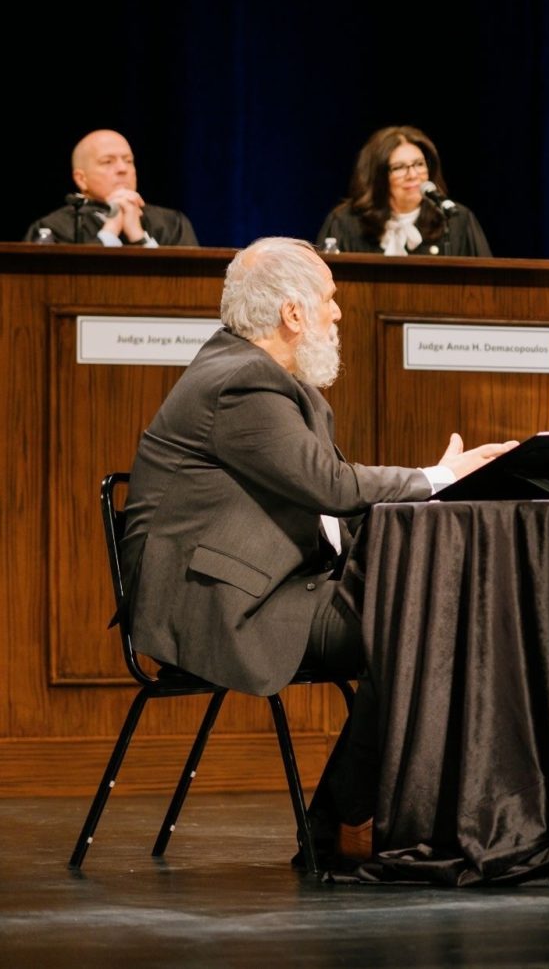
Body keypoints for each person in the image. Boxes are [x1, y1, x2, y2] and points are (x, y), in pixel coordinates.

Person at [119, 236, 516, 851]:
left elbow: (323, 505)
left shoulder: (268, 379)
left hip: (272, 583)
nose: (337, 312)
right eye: (329, 299)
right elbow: (329, 486)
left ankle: (366, 814)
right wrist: (438, 480)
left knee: (436, 609)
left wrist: (431, 491)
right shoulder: (241, 381)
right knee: (417, 626)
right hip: (219, 607)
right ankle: (343, 820)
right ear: (293, 313)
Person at [317, 125, 491, 256]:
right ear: (376, 176)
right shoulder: (345, 223)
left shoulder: (455, 221)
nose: (413, 174)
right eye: (399, 168)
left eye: (419, 164)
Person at [24, 129, 199, 247]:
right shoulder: (54, 228)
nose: (123, 169)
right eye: (107, 162)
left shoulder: (172, 224)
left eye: (128, 161)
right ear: (81, 179)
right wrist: (109, 233)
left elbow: (191, 288)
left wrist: (139, 237)